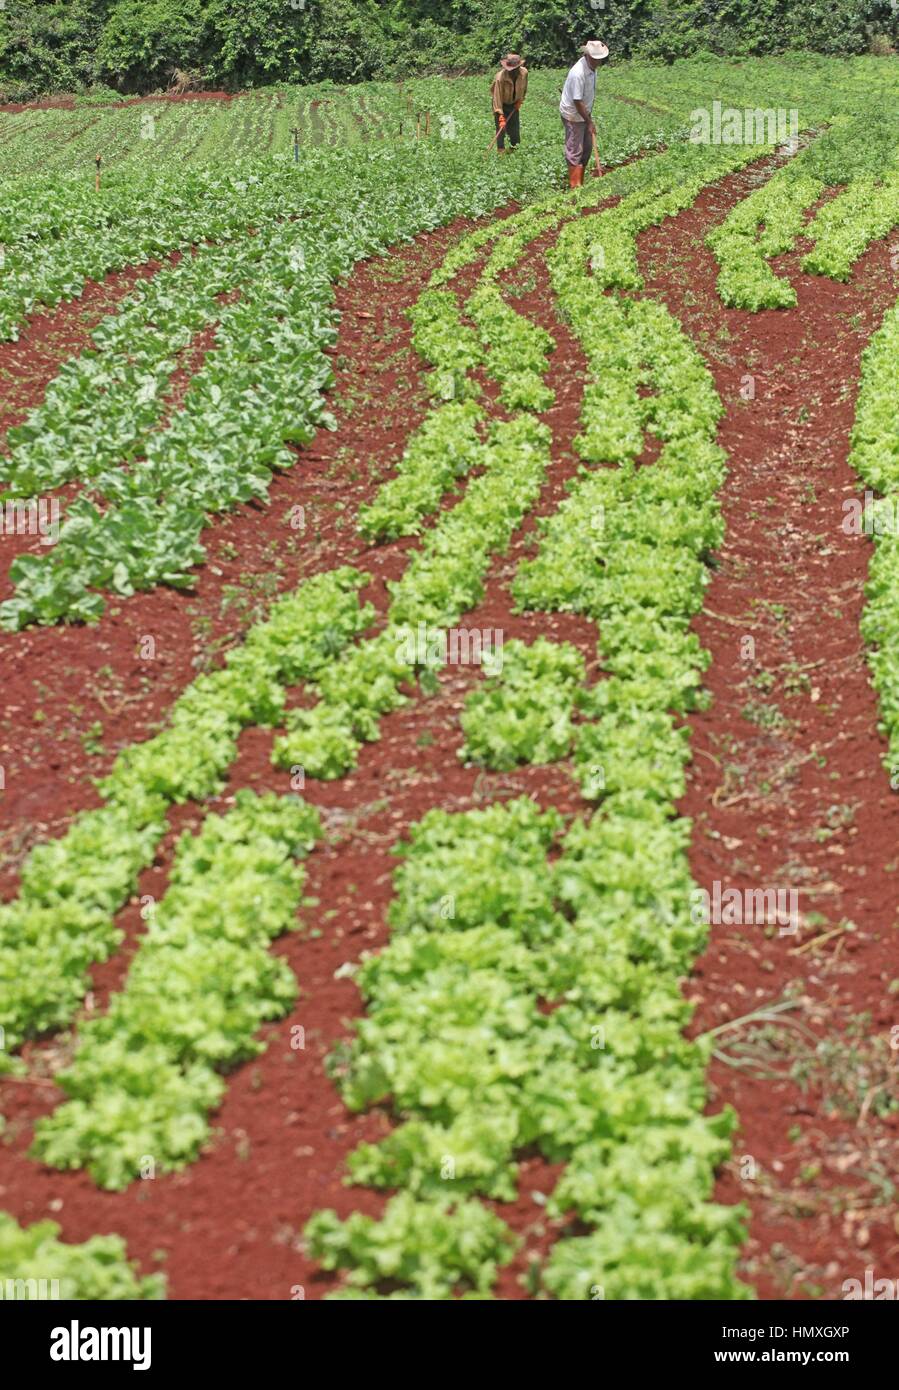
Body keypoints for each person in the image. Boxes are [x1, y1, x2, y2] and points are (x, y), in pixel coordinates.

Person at [559, 40, 609, 187]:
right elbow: (577, 101)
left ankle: (580, 181)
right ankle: (575, 186)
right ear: (587, 55)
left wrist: (588, 118)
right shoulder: (578, 73)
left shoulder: (592, 68)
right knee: (575, 149)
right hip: (573, 115)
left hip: (583, 113)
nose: (597, 62)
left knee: (586, 148)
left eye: (599, 59)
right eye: (595, 58)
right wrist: (589, 122)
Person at [491, 53, 528, 153]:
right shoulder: (500, 77)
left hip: (514, 104)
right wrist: (500, 115)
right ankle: (501, 152)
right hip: (501, 104)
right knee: (501, 129)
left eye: (515, 69)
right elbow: (496, 97)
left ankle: (514, 150)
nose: (512, 71)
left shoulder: (524, 73)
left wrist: (520, 100)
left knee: (514, 129)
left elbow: (524, 87)